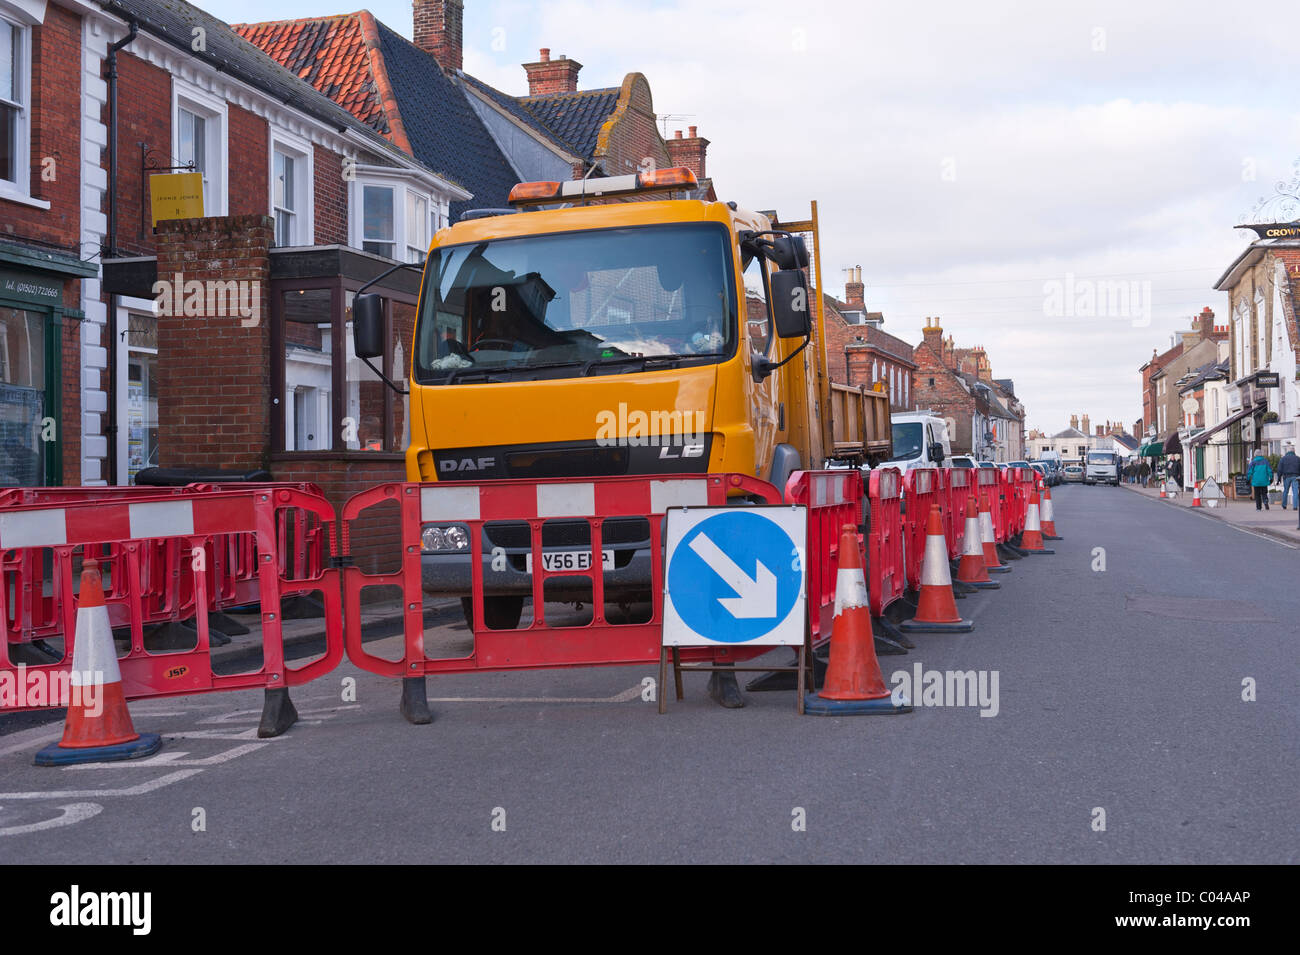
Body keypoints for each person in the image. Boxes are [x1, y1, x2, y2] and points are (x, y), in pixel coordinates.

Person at [1278, 442, 1300, 510]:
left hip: (1286, 476)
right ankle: (1295, 506)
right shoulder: (1298, 458)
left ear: (1287, 451)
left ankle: (1284, 505)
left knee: (1286, 491)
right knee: (1295, 491)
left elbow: (1279, 469)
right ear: (1294, 451)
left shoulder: (1283, 458)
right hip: (1296, 476)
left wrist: (1279, 478)